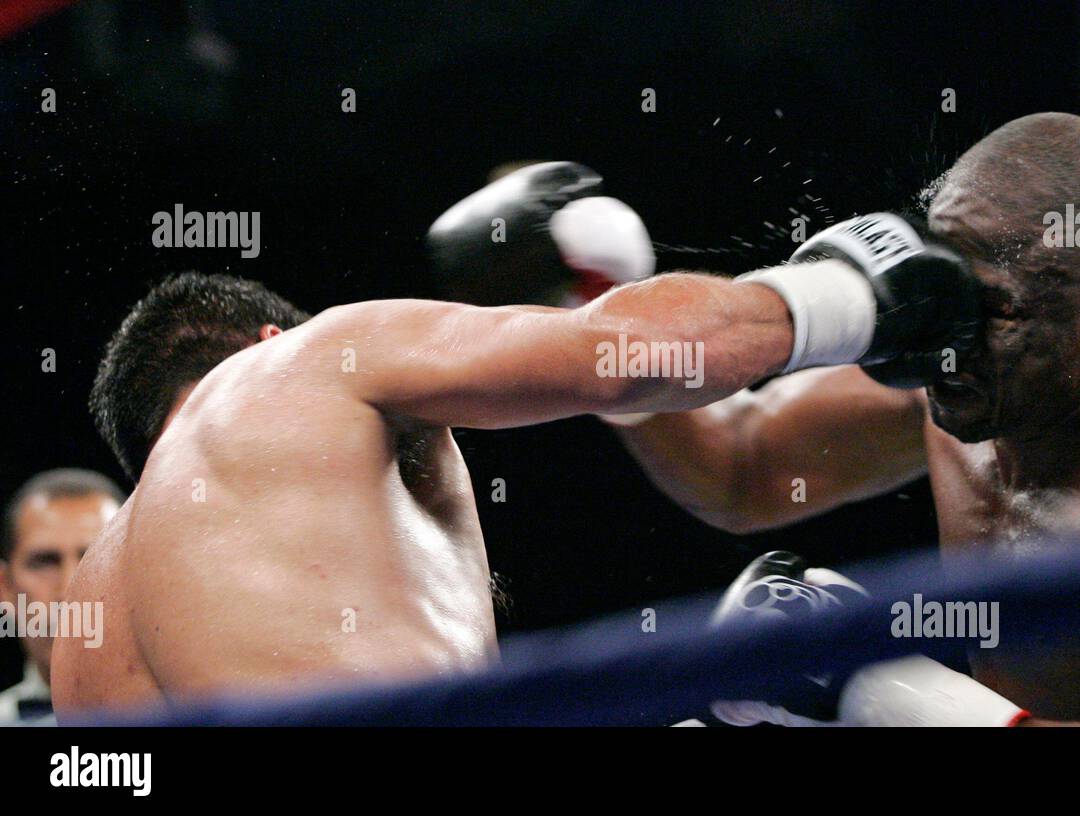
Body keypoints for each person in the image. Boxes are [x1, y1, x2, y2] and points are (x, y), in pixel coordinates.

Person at [52, 163, 979, 712]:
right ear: (268, 338)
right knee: (827, 679)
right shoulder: (302, 361)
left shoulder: (87, 628)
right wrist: (854, 294)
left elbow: (736, 471)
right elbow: (627, 356)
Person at [604, 113, 1080, 725]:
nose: (947, 341)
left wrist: (878, 695)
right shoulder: (969, 380)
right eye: (947, 296)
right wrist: (597, 311)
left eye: (995, 311)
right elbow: (741, 467)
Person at [1, 469, 122, 722]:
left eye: (94, 556)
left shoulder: (199, 716)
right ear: (5, 587)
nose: (69, 590)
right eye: (45, 562)